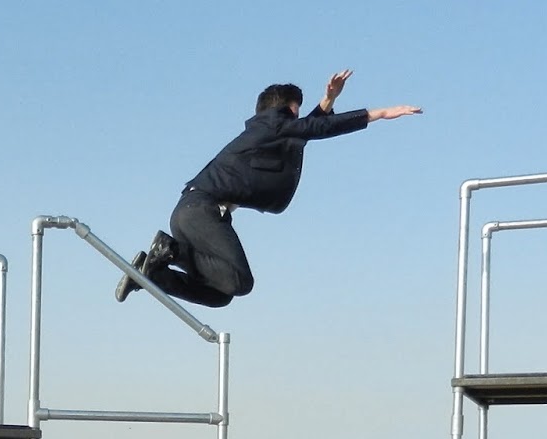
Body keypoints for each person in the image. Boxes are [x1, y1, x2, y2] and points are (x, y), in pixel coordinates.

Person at [115, 71, 421, 308]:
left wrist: (328, 101)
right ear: (286, 110)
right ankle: (171, 251)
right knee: (241, 281)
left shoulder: (271, 131)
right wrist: (378, 114)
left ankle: (153, 274)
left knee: (221, 294)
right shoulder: (273, 125)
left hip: (191, 213)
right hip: (200, 211)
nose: (299, 120)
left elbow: (305, 131)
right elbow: (315, 129)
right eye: (297, 112)